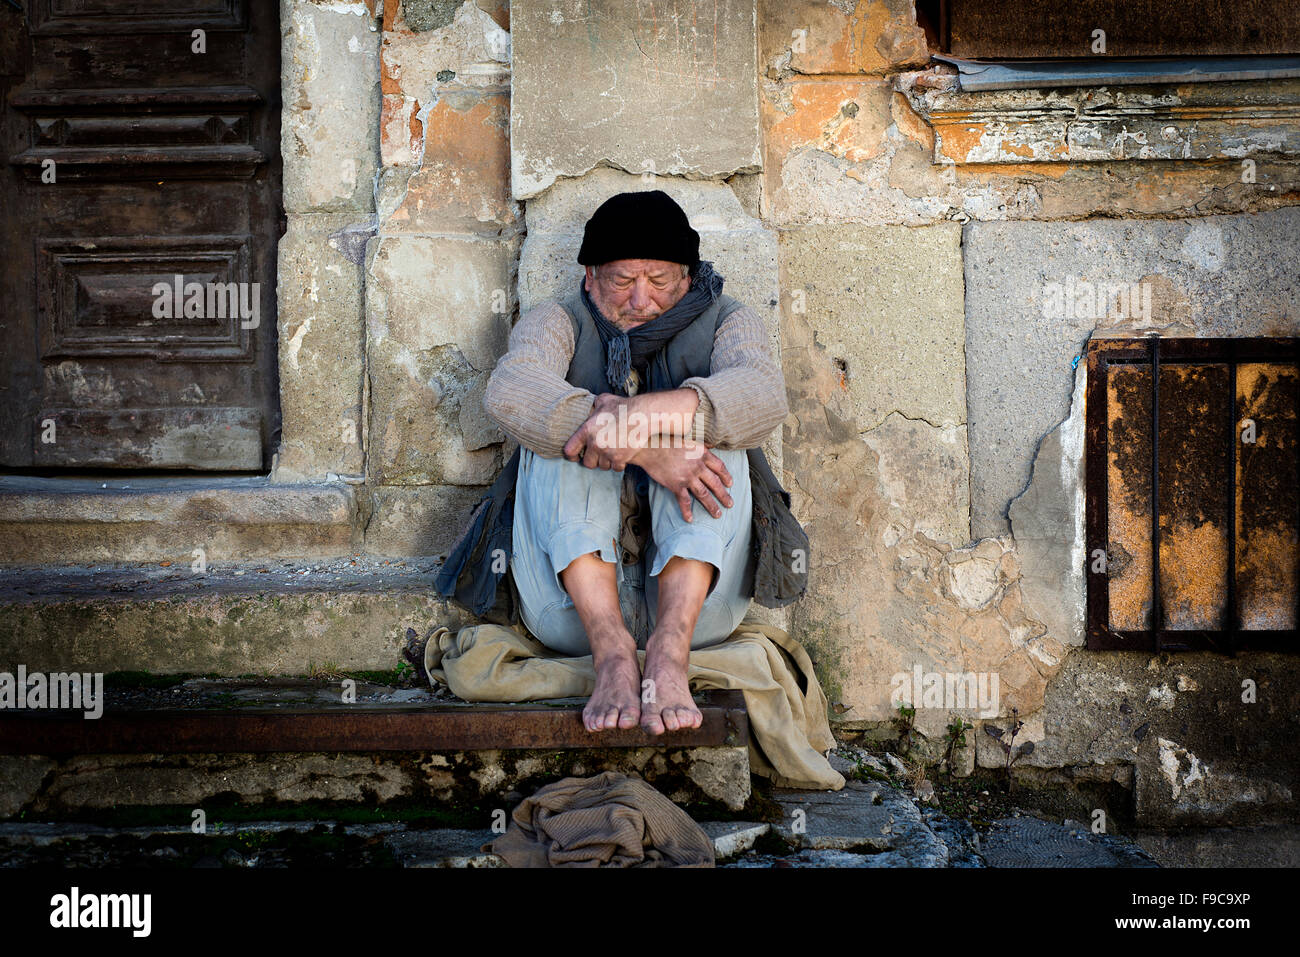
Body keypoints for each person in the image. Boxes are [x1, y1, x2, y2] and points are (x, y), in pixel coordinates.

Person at [477, 189, 790, 735]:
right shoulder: (558, 319)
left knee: (718, 428)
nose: (640, 300)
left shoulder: (728, 319)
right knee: (569, 431)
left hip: (703, 615)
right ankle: (615, 656)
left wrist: (643, 413)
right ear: (590, 278)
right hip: (568, 612)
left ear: (687, 279)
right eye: (622, 281)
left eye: (660, 282)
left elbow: (763, 396)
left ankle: (669, 655)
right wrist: (647, 448)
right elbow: (510, 390)